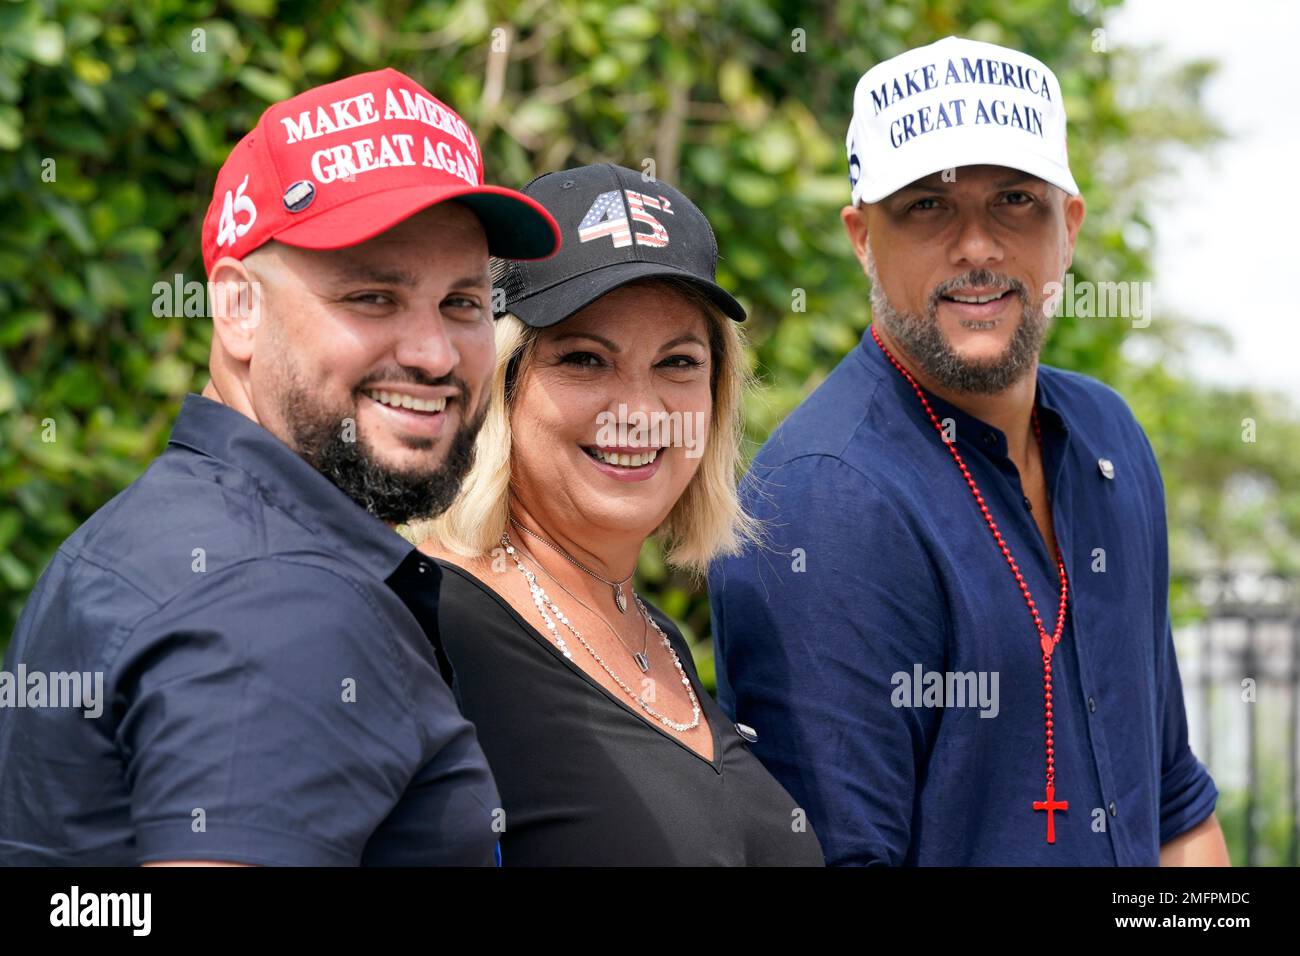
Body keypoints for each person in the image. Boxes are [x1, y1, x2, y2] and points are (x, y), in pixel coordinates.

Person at [0, 68, 560, 865]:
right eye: (373, 297)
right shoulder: (276, 598)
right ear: (237, 309)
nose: (435, 355)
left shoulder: (147, 537)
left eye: (463, 303)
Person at [708, 36, 1229, 866]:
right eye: (927, 206)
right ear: (861, 238)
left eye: (1015, 201)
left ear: (1069, 230)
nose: (977, 247)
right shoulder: (822, 506)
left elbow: (1174, 808)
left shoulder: (1110, 439)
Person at [413, 164, 824, 865]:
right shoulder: (429, 628)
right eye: (585, 359)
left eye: (677, 363)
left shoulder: (652, 634)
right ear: (502, 382)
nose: (638, 411)